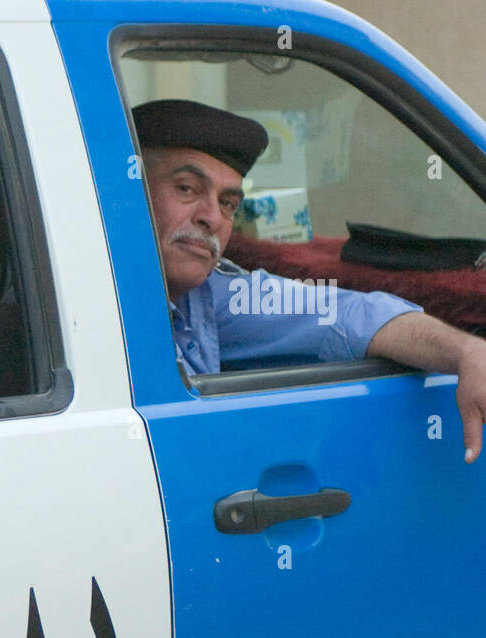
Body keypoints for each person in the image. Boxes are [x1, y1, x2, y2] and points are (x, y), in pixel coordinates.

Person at [135, 99, 486, 462]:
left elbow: (344, 314)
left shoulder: (213, 295)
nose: (212, 217)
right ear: (134, 190)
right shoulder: (88, 304)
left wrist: (467, 351)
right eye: (187, 188)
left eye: (227, 203)